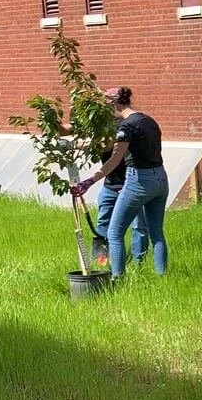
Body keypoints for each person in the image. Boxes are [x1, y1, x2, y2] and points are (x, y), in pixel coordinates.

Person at [70, 87, 168, 278]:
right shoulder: (149, 121)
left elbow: (115, 159)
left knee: (114, 233)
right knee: (156, 233)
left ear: (114, 104)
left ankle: (117, 278)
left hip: (138, 180)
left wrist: (89, 181)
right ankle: (161, 277)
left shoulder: (126, 127)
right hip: (161, 179)